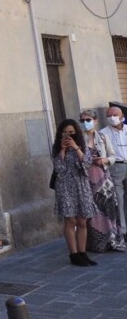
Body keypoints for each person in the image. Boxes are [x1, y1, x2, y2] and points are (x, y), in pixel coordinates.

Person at [54, 118, 98, 267]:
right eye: (65, 132)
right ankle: (73, 254)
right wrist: (63, 150)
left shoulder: (82, 146)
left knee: (82, 221)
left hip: (81, 185)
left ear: (76, 133)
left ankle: (82, 253)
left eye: (71, 132)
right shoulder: (56, 148)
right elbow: (59, 170)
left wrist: (76, 148)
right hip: (65, 187)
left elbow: (87, 164)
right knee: (70, 220)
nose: (68, 135)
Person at [79, 110, 124, 253]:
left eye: (88, 119)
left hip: (103, 179)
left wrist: (104, 160)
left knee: (108, 210)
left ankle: (111, 240)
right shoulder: (79, 139)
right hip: (86, 180)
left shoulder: (103, 136)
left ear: (95, 121)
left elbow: (112, 156)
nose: (86, 123)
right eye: (82, 120)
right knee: (92, 212)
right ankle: (96, 244)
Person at [99, 104, 127, 235]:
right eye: (109, 116)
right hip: (116, 167)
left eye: (115, 115)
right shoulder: (103, 133)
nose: (112, 118)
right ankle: (123, 230)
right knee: (119, 199)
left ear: (122, 117)